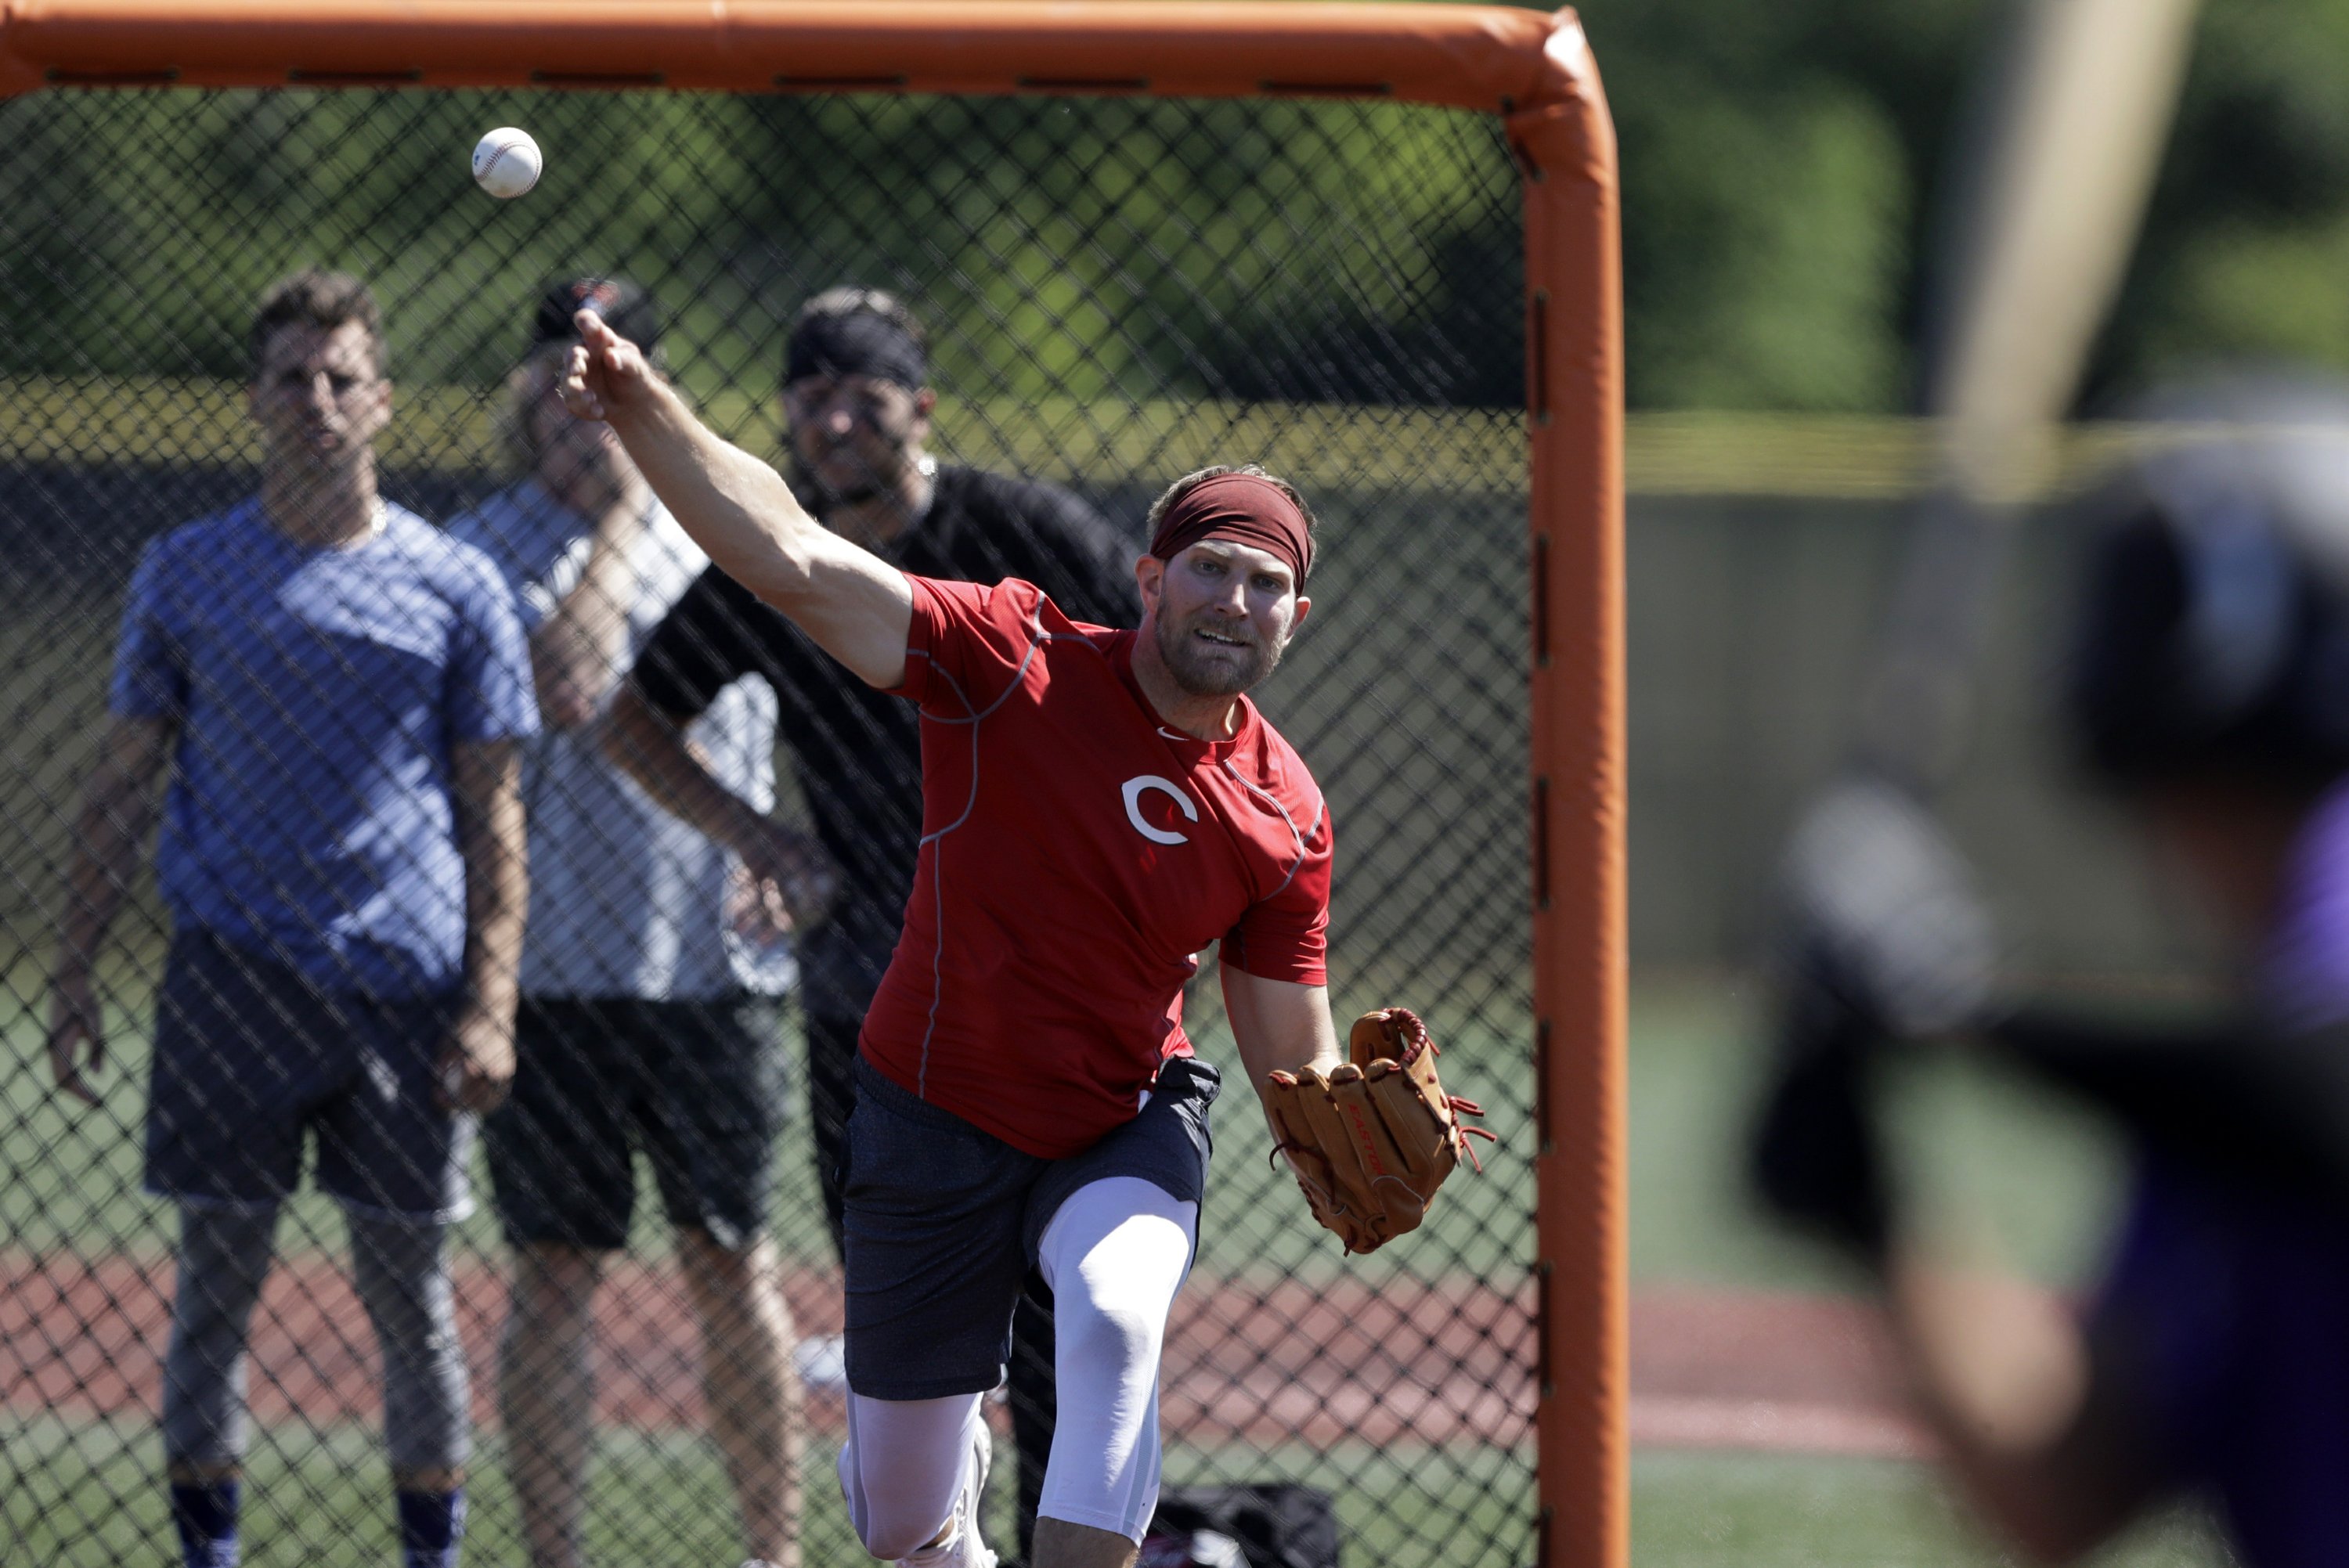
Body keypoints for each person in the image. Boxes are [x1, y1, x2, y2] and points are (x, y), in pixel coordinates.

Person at [564, 303, 1344, 1568]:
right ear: (1151, 579)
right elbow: (793, 561)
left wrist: (1327, 1130)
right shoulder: (1014, 659)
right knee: (907, 1528)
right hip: (930, 1110)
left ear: (1293, 621)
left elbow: (1283, 1024)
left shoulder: (1285, 806)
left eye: (1267, 584)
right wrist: (649, 409)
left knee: (1111, 1313)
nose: (1234, 598)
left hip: (1123, 1119)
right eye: (1210, 566)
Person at [1751, 381, 2349, 1567]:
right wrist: (1873, 1212)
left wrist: (1963, 1005)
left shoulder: (2273, 1056)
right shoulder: (2222, 1080)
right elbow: (2072, 1485)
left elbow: (2320, 1101)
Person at [602, 286, 1137, 1555]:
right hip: (875, 987)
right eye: (811, 398)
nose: (836, 420)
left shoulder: (1017, 532)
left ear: (922, 408)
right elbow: (633, 719)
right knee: (908, 1319)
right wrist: (761, 836)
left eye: (864, 396)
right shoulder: (778, 561)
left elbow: (1146, 676)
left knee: (1062, 1305)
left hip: (1044, 988)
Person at [45, 269, 537, 1568]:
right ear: (255, 400)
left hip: (404, 988)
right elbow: (119, 782)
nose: (315, 400)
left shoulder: (455, 584)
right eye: (290, 379)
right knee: (214, 1294)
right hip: (232, 977)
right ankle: (213, 1555)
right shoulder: (187, 569)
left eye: (340, 378)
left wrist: (490, 1003)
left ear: (381, 400)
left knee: (412, 1302)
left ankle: (430, 1554)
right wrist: (77, 966)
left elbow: (495, 819)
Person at [445, 278, 828, 1568]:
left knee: (734, 1264)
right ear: (526, 398)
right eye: (564, 379)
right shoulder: (484, 547)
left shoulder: (727, 533)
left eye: (612, 379)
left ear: (652, 390)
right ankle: (556, 1555)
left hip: (713, 971)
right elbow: (568, 685)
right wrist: (618, 522)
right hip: (552, 976)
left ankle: (771, 1555)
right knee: (555, 1274)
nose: (584, 406)